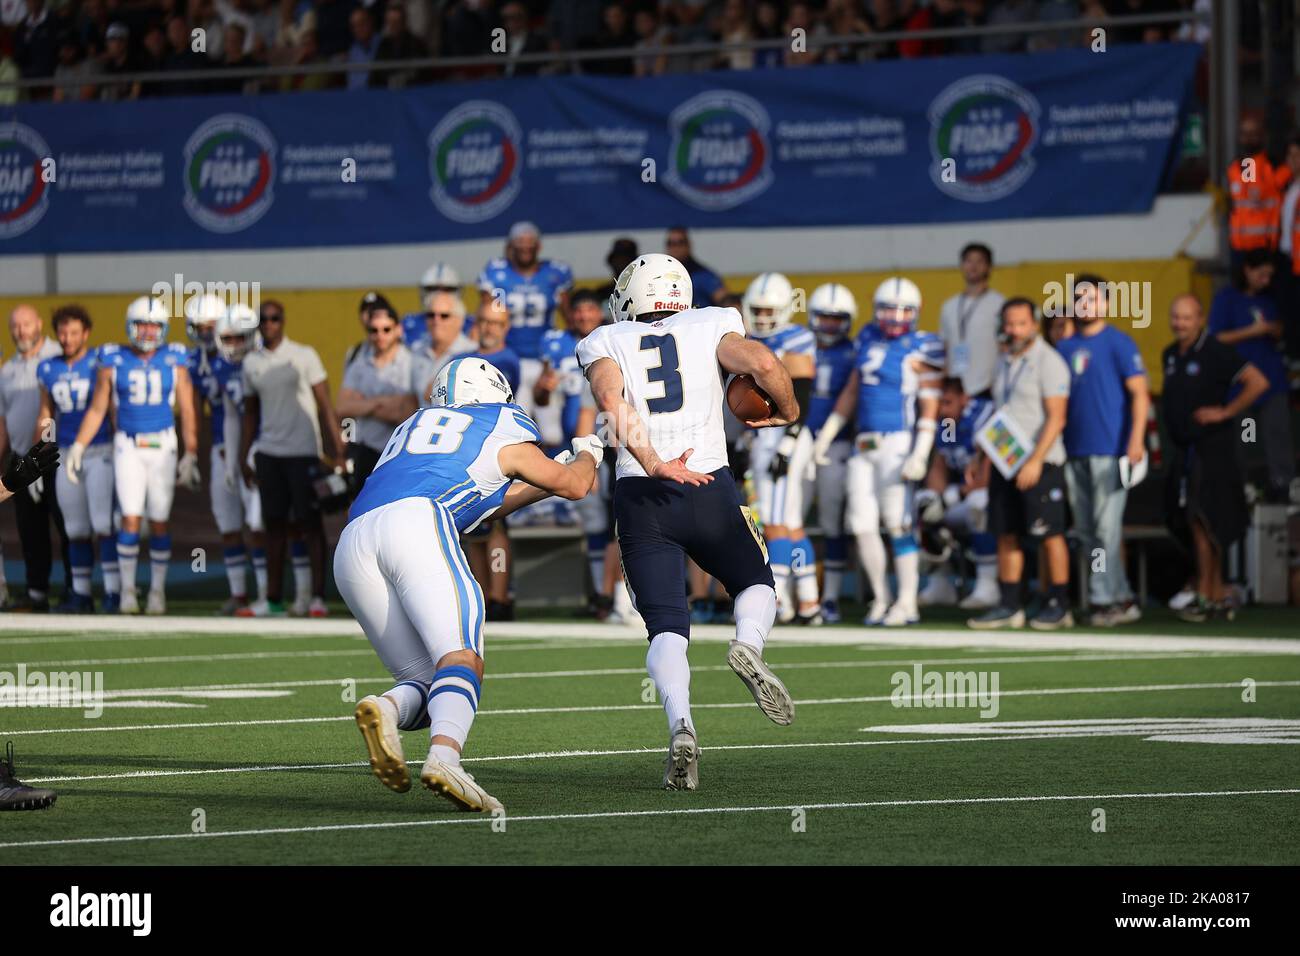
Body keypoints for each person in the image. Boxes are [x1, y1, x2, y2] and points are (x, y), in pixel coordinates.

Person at [340, 358, 601, 812]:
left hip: (353, 541)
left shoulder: (414, 427)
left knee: (425, 679)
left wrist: (543, 481)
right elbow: (577, 487)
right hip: (418, 522)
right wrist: (588, 453)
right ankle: (445, 758)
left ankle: (386, 708)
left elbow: (482, 503)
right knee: (461, 657)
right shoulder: (497, 423)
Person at [579, 252, 798, 791]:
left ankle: (681, 724)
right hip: (711, 487)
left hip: (644, 494)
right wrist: (789, 412)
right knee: (754, 582)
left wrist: (654, 463)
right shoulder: (714, 321)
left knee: (667, 627)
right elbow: (765, 365)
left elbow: (613, 401)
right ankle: (748, 642)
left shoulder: (604, 339)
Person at [813, 278, 945, 627]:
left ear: (916, 313)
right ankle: (881, 598)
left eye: (903, 309)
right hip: (863, 441)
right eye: (888, 307)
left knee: (898, 522)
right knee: (860, 522)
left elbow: (930, 406)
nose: (895, 316)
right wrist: (827, 435)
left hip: (899, 441)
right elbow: (853, 391)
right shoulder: (868, 337)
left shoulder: (923, 346)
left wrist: (921, 452)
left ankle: (907, 601)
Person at [68, 297, 200, 615]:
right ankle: (128, 591)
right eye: (142, 324)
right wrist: (79, 445)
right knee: (129, 517)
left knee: (158, 522)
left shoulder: (175, 358)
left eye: (154, 325)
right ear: (130, 325)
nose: (148, 331)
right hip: (127, 444)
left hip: (163, 445)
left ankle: (156, 592)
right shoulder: (113, 359)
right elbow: (99, 408)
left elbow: (187, 407)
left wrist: (191, 451)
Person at [1162, 293, 1270, 622]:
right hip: (1183, 450)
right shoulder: (1170, 354)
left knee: (1207, 519)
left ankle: (1211, 593)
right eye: (1176, 317)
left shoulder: (1215, 350)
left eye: (1187, 317)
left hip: (1212, 449)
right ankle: (1212, 591)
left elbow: (1257, 382)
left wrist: (1226, 412)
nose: (1180, 324)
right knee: (1186, 520)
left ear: (1200, 319)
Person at [967, 299, 1073, 630]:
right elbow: (1001, 414)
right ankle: (1010, 604)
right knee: (1005, 533)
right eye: (1009, 324)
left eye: (1020, 324)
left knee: (1049, 534)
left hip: (1040, 463)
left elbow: (1057, 418)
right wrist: (981, 455)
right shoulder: (1004, 361)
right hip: (1005, 461)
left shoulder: (1049, 361)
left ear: (1034, 325)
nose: (1013, 330)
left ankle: (1059, 602)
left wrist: (1036, 461)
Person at [237, 301, 345, 619]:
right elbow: (250, 413)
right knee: (274, 526)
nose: (269, 324)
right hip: (270, 452)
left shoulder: (303, 355)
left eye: (274, 319)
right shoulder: (250, 363)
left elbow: (324, 403)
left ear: (283, 322)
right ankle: (272, 598)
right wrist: (245, 456)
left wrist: (337, 449)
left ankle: (316, 598)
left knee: (309, 525)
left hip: (303, 451)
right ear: (258, 324)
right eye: (264, 320)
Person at [1055, 275, 1150, 626]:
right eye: (1080, 299)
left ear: (1106, 304)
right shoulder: (1064, 348)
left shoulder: (1119, 343)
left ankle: (1101, 599)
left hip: (1111, 450)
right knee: (1087, 532)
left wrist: (1135, 440)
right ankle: (1121, 597)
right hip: (1072, 451)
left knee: (1106, 529)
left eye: (1093, 299)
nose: (1086, 305)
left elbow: (1140, 394)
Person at [742, 272, 820, 624]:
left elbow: (802, 393)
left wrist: (788, 441)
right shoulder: (747, 336)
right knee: (791, 523)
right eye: (757, 309)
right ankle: (808, 600)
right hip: (765, 434)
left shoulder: (797, 338)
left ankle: (778, 600)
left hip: (784, 433)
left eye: (769, 310)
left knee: (773, 522)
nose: (763, 317)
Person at [33, 305, 117, 613]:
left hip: (100, 451)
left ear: (86, 333)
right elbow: (47, 416)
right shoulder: (48, 368)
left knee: (104, 524)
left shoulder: (100, 363)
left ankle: (113, 591)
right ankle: (81, 594)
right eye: (62, 333)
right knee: (76, 529)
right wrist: (36, 462)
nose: (67, 338)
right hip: (65, 453)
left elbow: (109, 409)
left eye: (73, 332)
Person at [1208, 248, 1295, 501]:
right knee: (1247, 435)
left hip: (1272, 382)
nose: (1265, 281)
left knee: (1278, 433)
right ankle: (1245, 484)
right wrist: (1253, 331)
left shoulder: (1269, 300)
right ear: (1247, 269)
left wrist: (1274, 330)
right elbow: (1217, 337)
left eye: (1269, 276)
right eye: (1261, 274)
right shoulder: (1228, 298)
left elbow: (1279, 331)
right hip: (1242, 386)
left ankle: (1283, 485)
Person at [476, 221, 573, 443]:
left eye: (529, 245)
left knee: (552, 435)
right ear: (510, 247)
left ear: (538, 247)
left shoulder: (554, 273)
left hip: (545, 360)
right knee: (515, 432)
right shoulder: (498, 274)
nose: (525, 249)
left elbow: (568, 317)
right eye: (519, 245)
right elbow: (488, 316)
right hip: (511, 360)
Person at [535, 289, 607, 578]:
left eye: (590, 309)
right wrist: (544, 388)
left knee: (606, 518)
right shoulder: (556, 343)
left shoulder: (610, 338)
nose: (584, 315)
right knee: (590, 516)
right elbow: (540, 398)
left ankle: (607, 591)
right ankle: (597, 590)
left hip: (610, 441)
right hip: (573, 442)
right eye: (579, 310)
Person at [460, 298, 522, 619]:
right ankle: (484, 595)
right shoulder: (465, 358)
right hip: (470, 447)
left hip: (496, 443)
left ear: (505, 327)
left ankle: (499, 596)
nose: (488, 328)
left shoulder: (506, 359)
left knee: (496, 520)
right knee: (474, 524)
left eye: (495, 323)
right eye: (484, 321)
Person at [0, 304, 64, 610]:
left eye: (26, 324)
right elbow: (3, 422)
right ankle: (36, 591)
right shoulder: (7, 370)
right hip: (20, 460)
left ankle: (75, 589)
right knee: (29, 529)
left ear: (38, 323)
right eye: (15, 325)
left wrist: (45, 450)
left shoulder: (56, 357)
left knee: (69, 525)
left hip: (54, 458)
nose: (21, 330)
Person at [916, 377, 998, 610]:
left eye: (948, 402)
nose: (942, 409)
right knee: (922, 505)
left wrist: (954, 496)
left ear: (965, 398)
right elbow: (940, 463)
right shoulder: (948, 424)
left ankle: (987, 584)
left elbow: (986, 474)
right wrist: (936, 499)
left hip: (991, 498)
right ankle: (940, 583)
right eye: (940, 403)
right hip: (960, 495)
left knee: (978, 503)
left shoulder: (982, 415)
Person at [208, 304, 270, 614]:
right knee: (229, 521)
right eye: (227, 338)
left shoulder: (263, 362)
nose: (232, 345)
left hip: (267, 446)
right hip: (237, 448)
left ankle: (265, 593)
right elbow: (231, 417)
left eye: (239, 338)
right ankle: (241, 594)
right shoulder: (221, 367)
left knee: (259, 523)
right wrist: (233, 459)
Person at [806, 282, 858, 623]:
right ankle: (795, 593)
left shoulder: (853, 352)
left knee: (830, 522)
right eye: (823, 318)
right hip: (798, 440)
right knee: (789, 519)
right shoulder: (800, 345)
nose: (829, 326)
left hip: (836, 445)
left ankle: (832, 596)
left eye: (836, 319)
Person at [336, 301, 427, 484]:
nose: (380, 335)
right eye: (373, 330)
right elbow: (342, 407)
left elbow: (408, 411)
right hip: (367, 451)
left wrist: (365, 403)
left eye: (386, 329)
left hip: (401, 451)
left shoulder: (412, 362)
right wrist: (384, 403)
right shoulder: (360, 363)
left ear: (398, 329)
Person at [938, 242, 1005, 398]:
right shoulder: (949, 306)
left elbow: (1005, 348)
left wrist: (997, 383)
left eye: (979, 261)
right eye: (968, 261)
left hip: (987, 388)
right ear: (961, 266)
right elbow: (945, 348)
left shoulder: (1000, 304)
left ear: (989, 267)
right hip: (956, 391)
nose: (973, 266)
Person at [1227, 114, 1291, 274]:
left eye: (1253, 133)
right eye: (1245, 134)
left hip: (1266, 248)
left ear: (1262, 136)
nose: (1249, 138)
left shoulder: (1276, 167)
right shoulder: (1234, 168)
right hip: (1239, 248)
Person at [411, 291, 476, 395]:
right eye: (431, 315)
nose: (436, 320)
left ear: (459, 320)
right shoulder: (416, 350)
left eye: (444, 315)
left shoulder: (473, 353)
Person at [401, 262, 462, 347]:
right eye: (432, 289)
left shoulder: (471, 324)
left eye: (447, 290)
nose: (439, 295)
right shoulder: (408, 324)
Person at [664, 226, 726, 308]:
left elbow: (725, 300)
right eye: (671, 243)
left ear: (689, 245)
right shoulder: (661, 275)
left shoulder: (703, 275)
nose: (676, 247)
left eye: (680, 242)